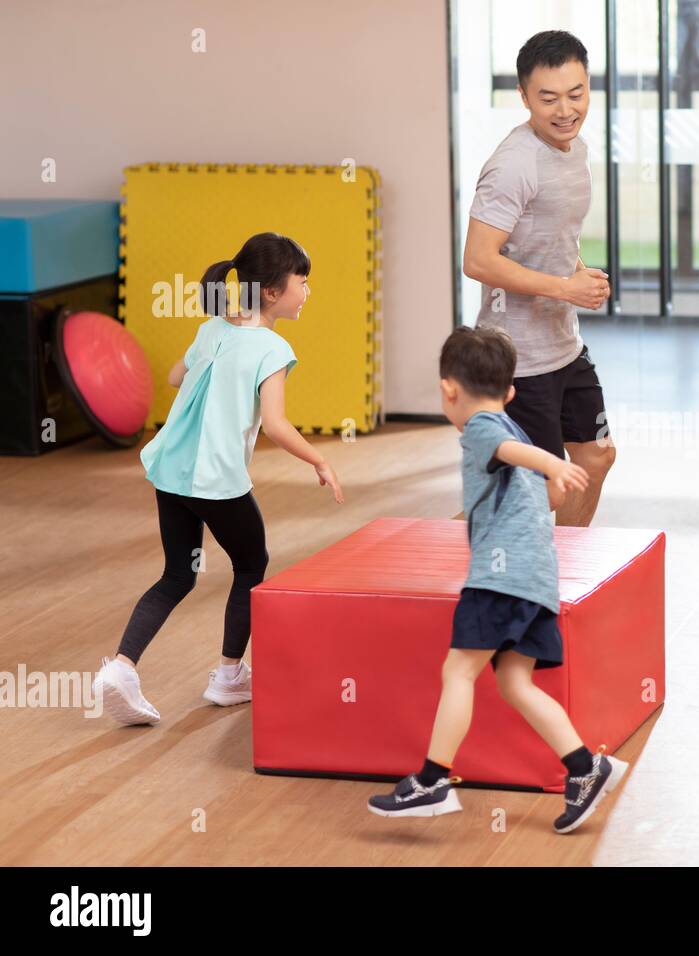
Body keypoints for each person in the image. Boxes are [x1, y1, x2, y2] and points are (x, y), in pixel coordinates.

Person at [367, 326, 628, 833]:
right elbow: (545, 496)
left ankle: (431, 781)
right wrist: (549, 476)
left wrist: (554, 463)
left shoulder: (486, 427)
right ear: (512, 391)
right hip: (535, 580)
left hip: (500, 578)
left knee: (458, 672)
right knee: (514, 682)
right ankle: (584, 769)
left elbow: (516, 456)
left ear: (447, 389)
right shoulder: (515, 428)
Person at [92, 232, 344, 725]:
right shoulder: (273, 348)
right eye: (303, 282)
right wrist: (320, 459)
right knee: (251, 565)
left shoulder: (213, 328)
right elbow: (275, 424)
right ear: (272, 291)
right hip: (216, 480)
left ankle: (121, 667)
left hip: (170, 472)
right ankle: (229, 676)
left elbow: (172, 376)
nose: (307, 291)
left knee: (177, 575)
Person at [462, 29, 615, 527]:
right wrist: (565, 288)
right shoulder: (512, 165)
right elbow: (478, 261)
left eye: (576, 94)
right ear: (524, 96)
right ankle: (446, 547)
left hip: (564, 345)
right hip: (518, 357)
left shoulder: (577, 149)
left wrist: (576, 271)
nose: (565, 109)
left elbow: (551, 237)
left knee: (595, 457)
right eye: (548, 98)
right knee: (542, 487)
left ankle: (562, 575)